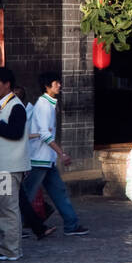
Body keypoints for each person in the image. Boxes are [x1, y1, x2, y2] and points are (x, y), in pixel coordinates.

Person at [23, 72, 89, 237]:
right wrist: (62, 153)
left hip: (46, 159)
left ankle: (71, 224)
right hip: (39, 158)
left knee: (58, 192)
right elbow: (45, 134)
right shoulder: (44, 105)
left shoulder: (49, 104)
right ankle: (17, 226)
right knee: (27, 195)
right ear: (47, 86)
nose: (59, 85)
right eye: (55, 82)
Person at [0, 67, 31, 261]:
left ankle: (10, 248)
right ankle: (9, 247)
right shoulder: (2, 104)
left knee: (7, 208)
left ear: (6, 84)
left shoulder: (16, 106)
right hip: (3, 166)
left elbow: (14, 133)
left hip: (9, 167)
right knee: (4, 206)